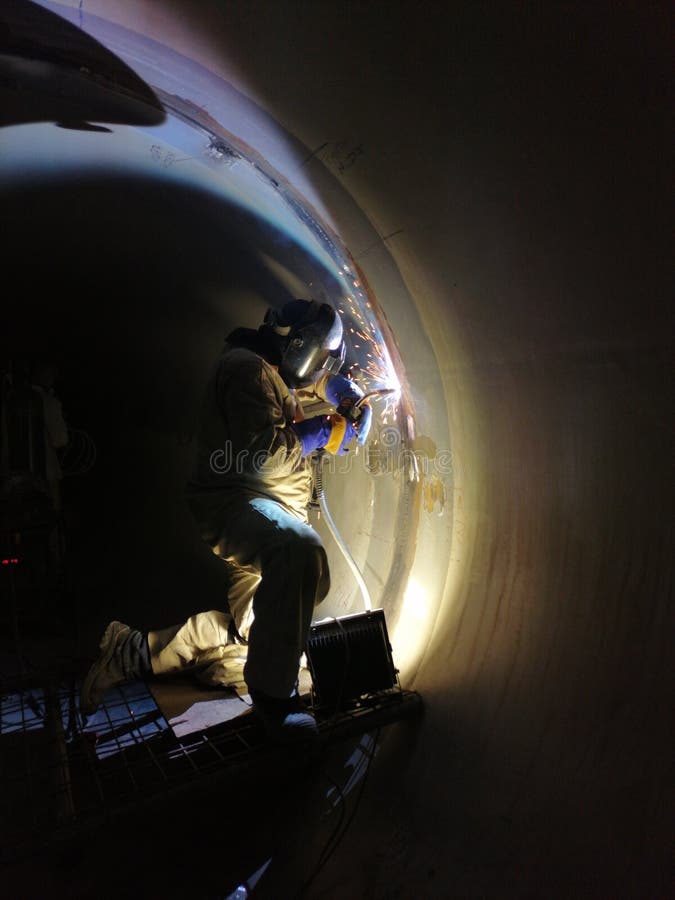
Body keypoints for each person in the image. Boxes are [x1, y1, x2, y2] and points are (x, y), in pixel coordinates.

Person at [80, 299, 372, 743]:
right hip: (240, 505)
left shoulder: (268, 368)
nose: (317, 371)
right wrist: (325, 433)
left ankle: (134, 652)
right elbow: (261, 456)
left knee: (256, 634)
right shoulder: (245, 369)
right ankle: (276, 705)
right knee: (299, 554)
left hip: (263, 507)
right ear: (297, 347)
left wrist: (342, 392)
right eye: (317, 358)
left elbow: (309, 385)